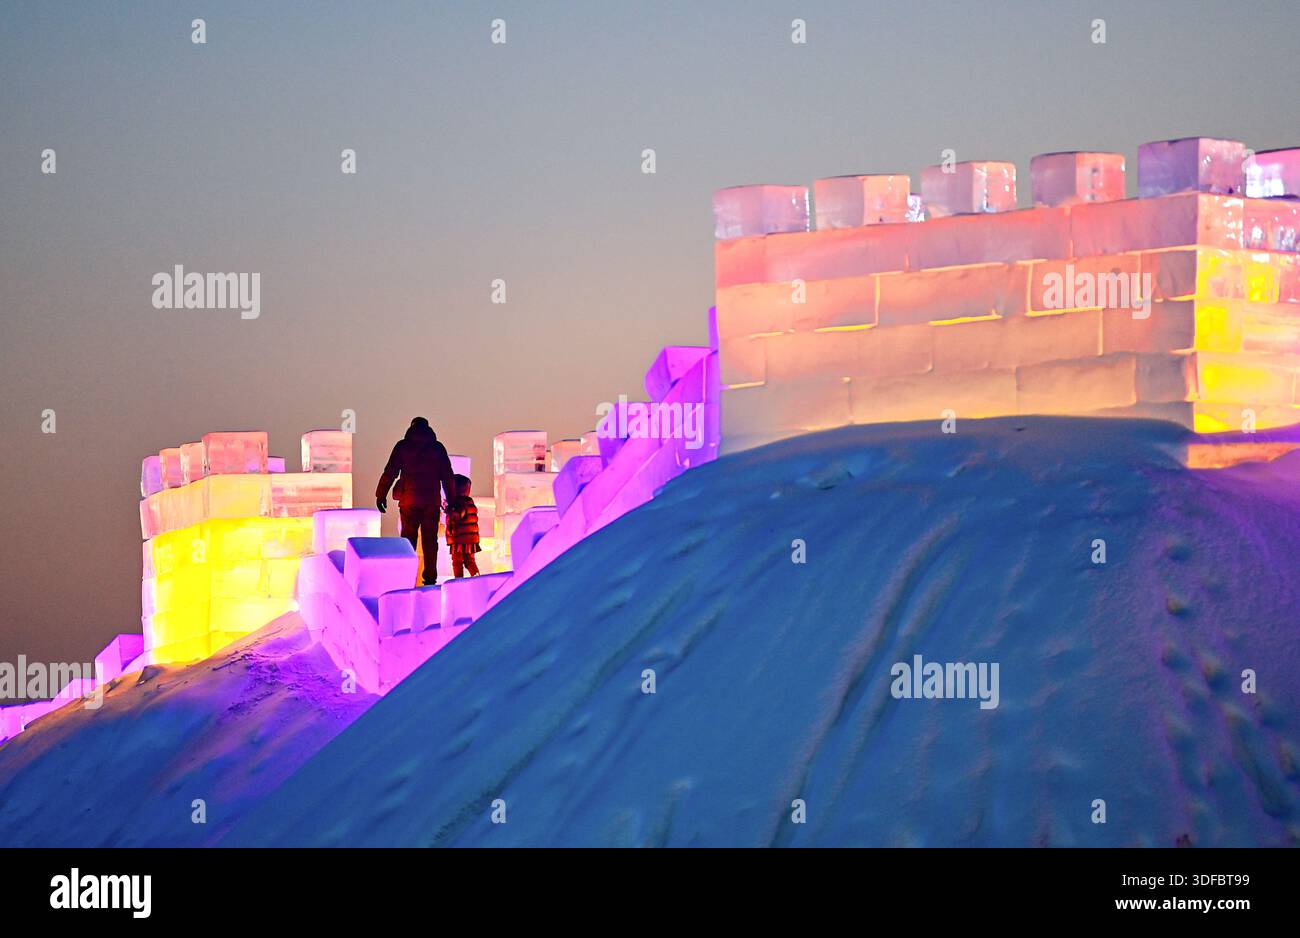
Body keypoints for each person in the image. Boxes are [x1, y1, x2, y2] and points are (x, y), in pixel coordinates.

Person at [375, 417, 456, 586]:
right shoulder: (437, 448)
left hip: (409, 500)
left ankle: (407, 578)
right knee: (430, 541)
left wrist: (381, 494)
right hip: (431, 501)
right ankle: (430, 579)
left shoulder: (403, 446)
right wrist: (452, 500)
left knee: (408, 541)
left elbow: (390, 472)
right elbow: (447, 476)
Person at [445, 474, 482, 578]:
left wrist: (449, 511)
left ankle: (458, 581)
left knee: (457, 562)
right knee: (470, 561)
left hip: (459, 540)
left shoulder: (459, 502)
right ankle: (477, 578)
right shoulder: (469, 502)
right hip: (470, 539)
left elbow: (458, 515)